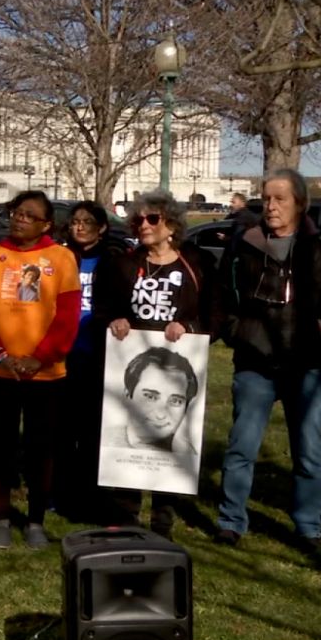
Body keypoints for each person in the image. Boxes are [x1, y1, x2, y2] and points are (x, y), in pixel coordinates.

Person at [212, 169, 321, 552]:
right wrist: (236, 330)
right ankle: (231, 521)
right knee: (242, 446)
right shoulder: (244, 243)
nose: (271, 206)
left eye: (280, 198)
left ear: (299, 203)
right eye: (267, 198)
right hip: (255, 361)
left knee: (308, 450)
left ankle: (308, 527)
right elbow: (222, 297)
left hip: (306, 363)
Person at [93, 191, 213, 536]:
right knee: (131, 430)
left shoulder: (196, 264)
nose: (143, 225)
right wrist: (114, 319)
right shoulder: (124, 264)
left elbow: (215, 313)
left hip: (178, 360)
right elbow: (104, 306)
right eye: (138, 220)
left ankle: (163, 520)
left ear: (172, 224)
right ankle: (125, 516)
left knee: (168, 438)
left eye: (152, 219)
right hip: (132, 359)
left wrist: (189, 327)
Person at [0, 190, 81, 550]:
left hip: (45, 375)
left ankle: (34, 521)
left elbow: (67, 317)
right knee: (0, 446)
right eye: (17, 212)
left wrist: (41, 357)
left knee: (40, 449)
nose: (20, 219)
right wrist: (0, 354)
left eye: (30, 215)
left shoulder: (61, 258)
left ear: (47, 224)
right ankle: (0, 517)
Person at [52, 201, 130, 517]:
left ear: (102, 228)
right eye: (74, 221)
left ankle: (88, 493)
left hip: (96, 354)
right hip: (62, 354)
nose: (79, 227)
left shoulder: (113, 261)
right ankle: (58, 491)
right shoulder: (60, 258)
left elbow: (120, 303)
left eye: (87, 221)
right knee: (60, 430)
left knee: (92, 431)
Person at [100, 347, 199, 453]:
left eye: (175, 401)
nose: (160, 415)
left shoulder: (187, 455)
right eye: (150, 397)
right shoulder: (103, 442)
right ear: (127, 396)